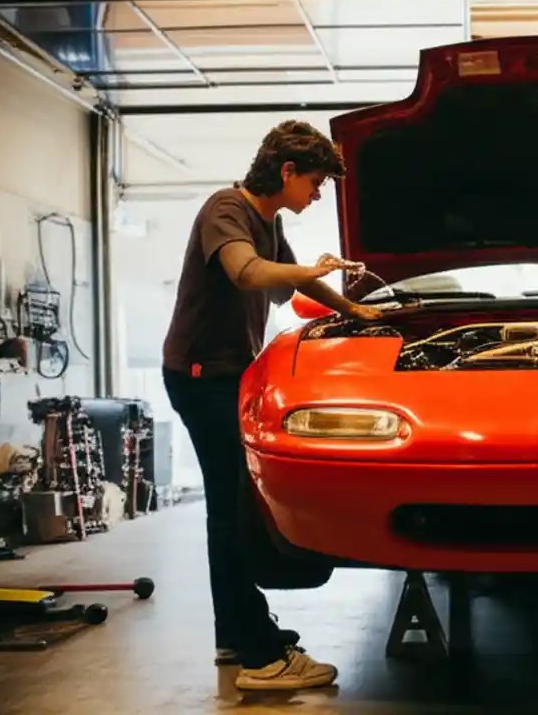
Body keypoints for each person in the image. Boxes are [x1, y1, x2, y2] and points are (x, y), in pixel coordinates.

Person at [161, 120, 381, 690]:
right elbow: (248, 272)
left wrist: (352, 312)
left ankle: (234, 634)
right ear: (286, 172)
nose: (316, 195)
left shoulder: (268, 219)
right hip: (200, 377)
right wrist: (314, 269)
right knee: (233, 513)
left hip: (226, 376)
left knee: (226, 511)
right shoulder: (226, 210)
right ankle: (259, 659)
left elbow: (294, 287)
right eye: (314, 183)